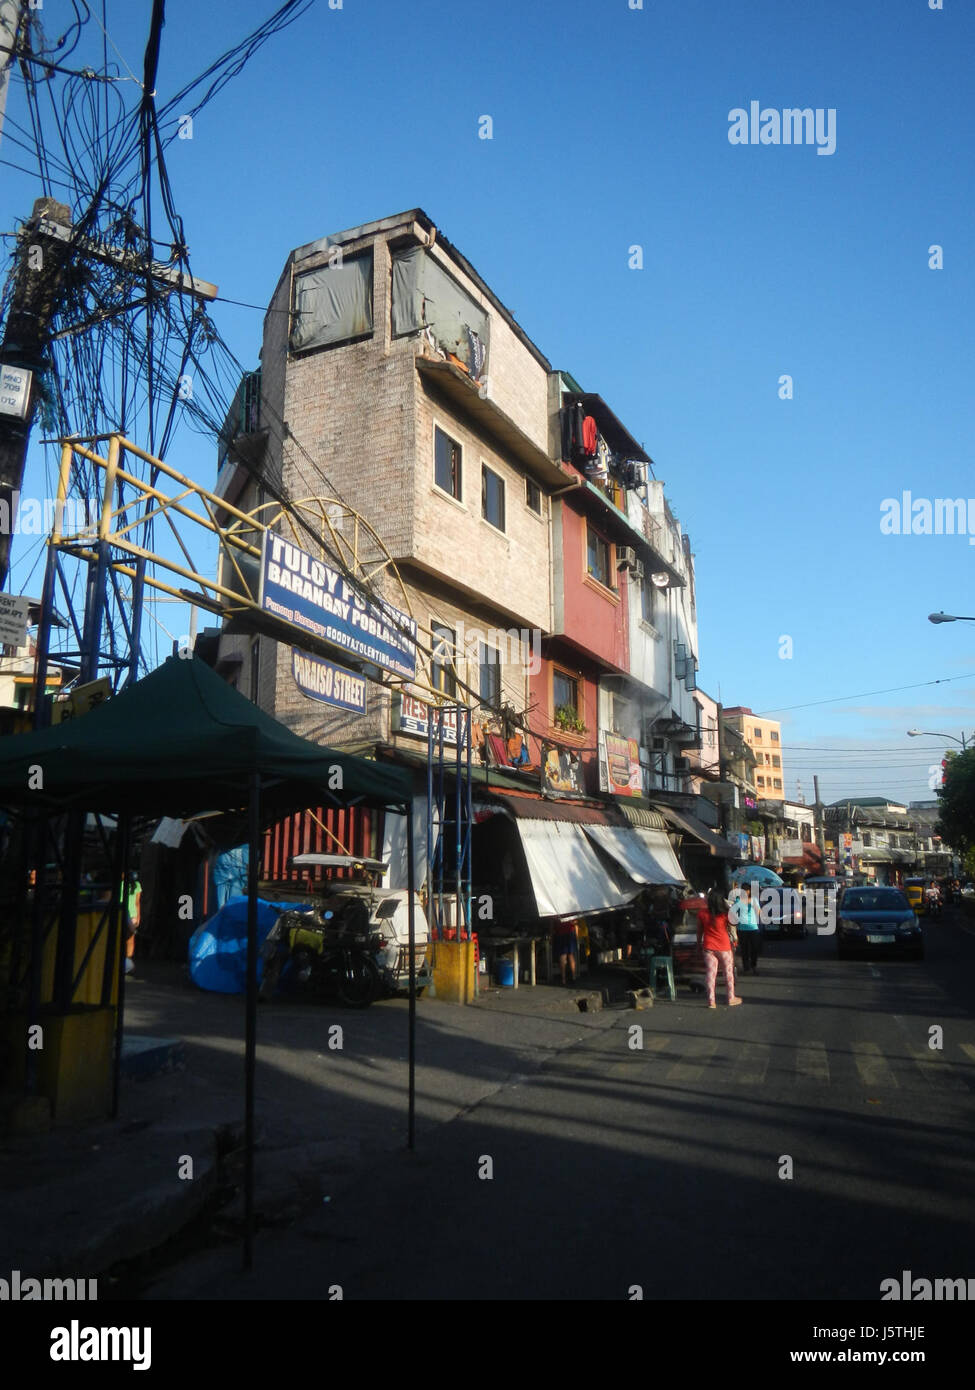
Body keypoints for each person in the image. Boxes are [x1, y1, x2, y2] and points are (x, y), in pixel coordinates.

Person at [697, 887, 742, 1009]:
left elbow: (699, 931)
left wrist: (698, 944)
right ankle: (731, 998)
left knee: (711, 974)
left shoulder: (702, 914)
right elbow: (734, 924)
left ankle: (711, 1001)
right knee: (728, 973)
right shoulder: (725, 914)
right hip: (724, 947)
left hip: (708, 947)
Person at [732, 881, 761, 974]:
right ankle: (746, 967)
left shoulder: (754, 900)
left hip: (753, 928)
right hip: (742, 929)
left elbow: (758, 911)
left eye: (747, 890)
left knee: (755, 949)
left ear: (749, 891)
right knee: (744, 950)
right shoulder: (738, 900)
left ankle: (754, 965)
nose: (745, 892)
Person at [552, 918, 578, 985]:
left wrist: (552, 936)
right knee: (571, 955)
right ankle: (574, 977)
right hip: (570, 933)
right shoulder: (569, 909)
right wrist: (576, 936)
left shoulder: (556, 910)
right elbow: (575, 923)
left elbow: (552, 924)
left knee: (562, 956)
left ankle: (563, 979)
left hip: (560, 933)